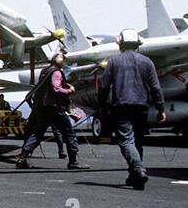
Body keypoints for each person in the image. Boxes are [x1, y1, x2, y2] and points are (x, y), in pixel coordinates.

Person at [98, 28, 165, 190]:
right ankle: (134, 176)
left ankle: (138, 169)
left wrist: (101, 105)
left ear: (120, 43)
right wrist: (161, 108)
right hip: (142, 106)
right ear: (137, 44)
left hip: (121, 106)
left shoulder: (114, 61)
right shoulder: (147, 61)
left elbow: (103, 86)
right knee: (137, 141)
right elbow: (156, 87)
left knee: (126, 140)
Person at [16, 49, 86, 170]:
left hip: (44, 108)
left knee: (37, 133)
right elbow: (56, 89)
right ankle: (73, 162)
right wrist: (70, 91)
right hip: (55, 108)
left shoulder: (45, 70)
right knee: (69, 133)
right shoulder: (57, 72)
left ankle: (22, 158)